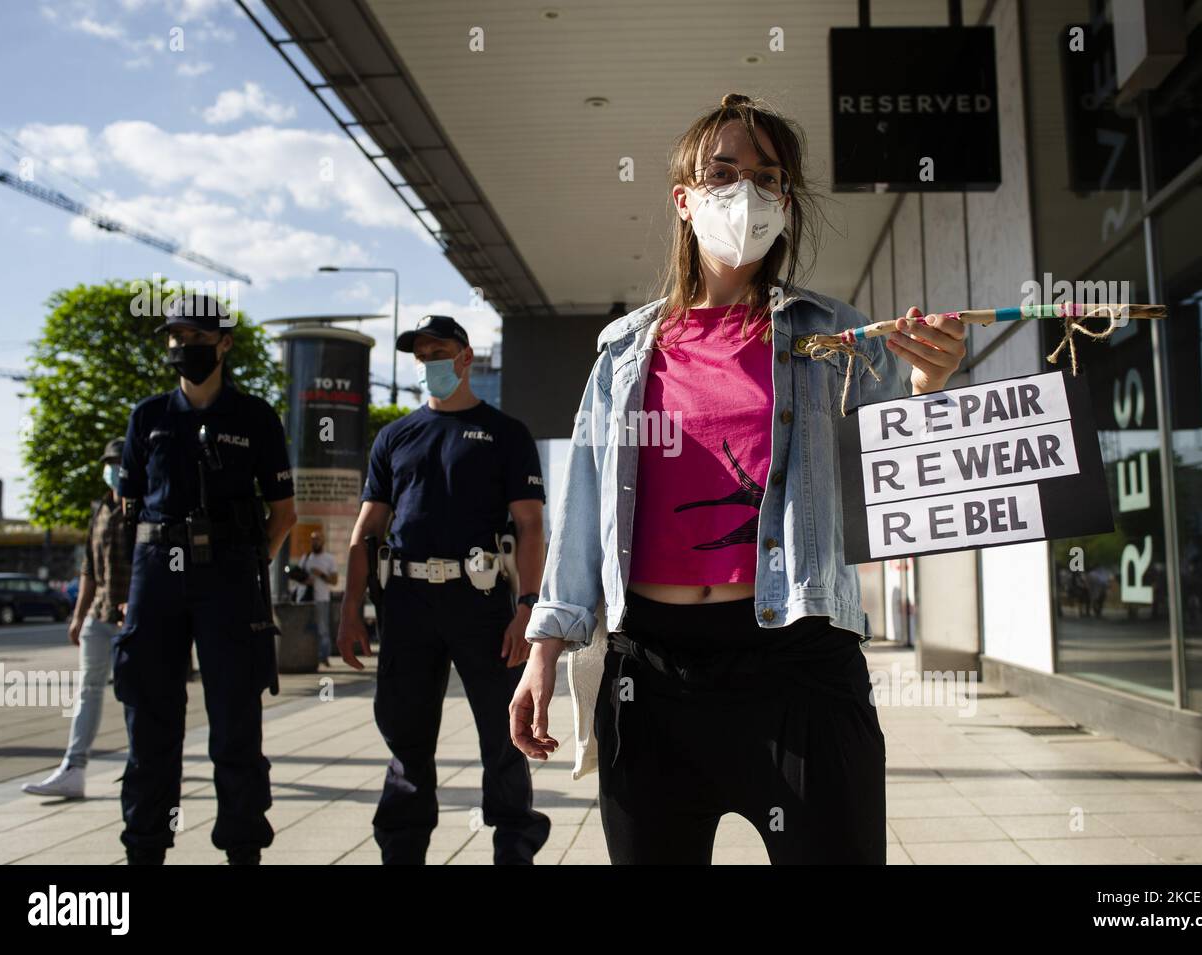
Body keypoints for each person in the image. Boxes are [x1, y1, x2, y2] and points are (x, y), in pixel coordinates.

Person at [510, 93, 967, 864]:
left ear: (786, 205)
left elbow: (909, 463)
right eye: (722, 174)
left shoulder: (836, 337)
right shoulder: (623, 354)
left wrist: (930, 382)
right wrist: (545, 646)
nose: (745, 194)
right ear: (683, 200)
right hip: (647, 675)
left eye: (767, 178)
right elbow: (585, 508)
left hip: (802, 663)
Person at [337, 313, 552, 865]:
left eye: (439, 352)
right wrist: (350, 608)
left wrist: (527, 607)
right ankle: (401, 854)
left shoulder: (506, 434)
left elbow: (530, 526)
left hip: (481, 603)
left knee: (504, 741)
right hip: (406, 605)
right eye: (421, 355)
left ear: (464, 357)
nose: (430, 363)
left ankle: (514, 851)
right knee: (406, 744)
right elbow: (368, 529)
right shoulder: (394, 437)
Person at [114, 292, 297, 865]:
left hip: (228, 578)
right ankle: (145, 850)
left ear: (224, 343)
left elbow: (283, 513)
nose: (183, 348)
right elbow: (127, 507)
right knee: (150, 725)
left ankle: (242, 849)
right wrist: (129, 594)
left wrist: (247, 566)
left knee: (236, 727)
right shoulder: (148, 416)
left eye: (195, 338)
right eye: (176, 338)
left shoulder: (255, 417)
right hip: (156, 576)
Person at [22, 437, 131, 799]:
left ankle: (146, 765)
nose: (113, 470)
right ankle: (74, 767)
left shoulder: (144, 506)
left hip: (134, 617)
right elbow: (88, 566)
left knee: (138, 694)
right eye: (109, 464)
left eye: (119, 462)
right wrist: (77, 614)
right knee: (88, 691)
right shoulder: (100, 509)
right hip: (99, 615)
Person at [293, 531, 339, 667]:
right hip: (305, 598)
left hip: (321, 598)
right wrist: (305, 580)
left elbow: (334, 580)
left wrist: (321, 574)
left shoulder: (329, 559)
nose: (315, 542)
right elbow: (298, 576)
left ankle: (323, 656)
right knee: (304, 629)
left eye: (317, 539)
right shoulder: (306, 557)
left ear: (323, 541)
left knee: (322, 629)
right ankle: (305, 655)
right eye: (312, 539)